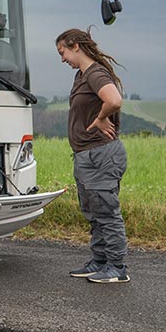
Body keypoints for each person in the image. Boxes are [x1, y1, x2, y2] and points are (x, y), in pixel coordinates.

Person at [56, 27, 129, 284]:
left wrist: (100, 118)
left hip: (100, 154)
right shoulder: (82, 75)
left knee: (106, 212)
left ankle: (116, 267)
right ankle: (99, 261)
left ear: (75, 45)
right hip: (87, 155)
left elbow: (114, 100)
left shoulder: (95, 73)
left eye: (63, 51)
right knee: (94, 212)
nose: (62, 58)